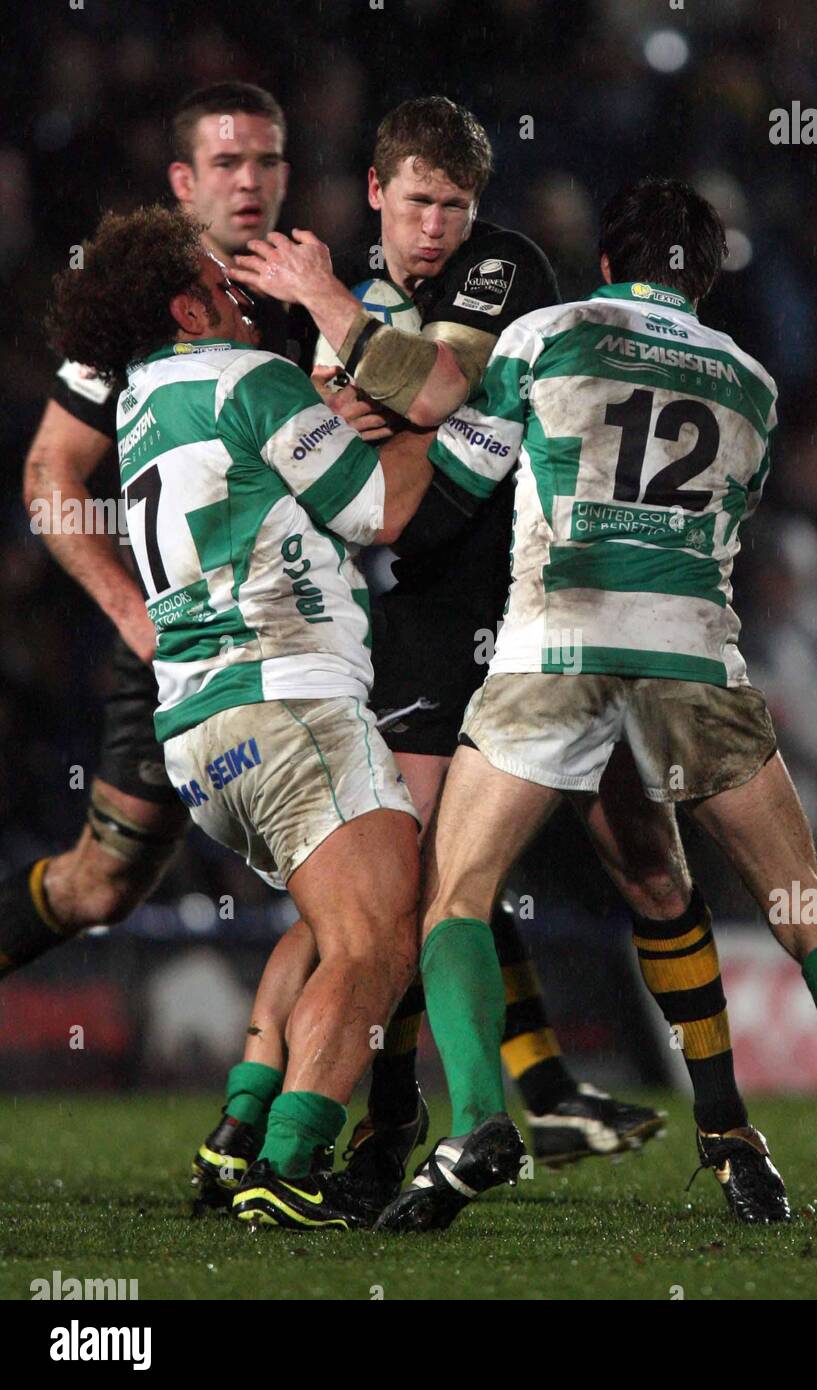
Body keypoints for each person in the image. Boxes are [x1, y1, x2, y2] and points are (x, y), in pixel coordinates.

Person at [365, 177, 817, 1235]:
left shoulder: (547, 331)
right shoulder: (751, 381)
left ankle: (478, 1120)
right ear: (703, 278)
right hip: (691, 657)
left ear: (610, 263)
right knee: (805, 907)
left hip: (557, 639)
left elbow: (457, 448)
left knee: (456, 895)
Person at [205, 98, 678, 1222]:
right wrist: (369, 383)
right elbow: (330, 432)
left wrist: (353, 348)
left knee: (609, 864)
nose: (433, 227)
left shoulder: (502, 266)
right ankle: (342, 1121)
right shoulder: (378, 297)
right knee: (403, 887)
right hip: (403, 615)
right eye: (416, 203)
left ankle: (696, 1119)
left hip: (516, 606)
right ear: (376, 194)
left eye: (452, 206)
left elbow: (430, 394)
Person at [45, 202, 435, 1229]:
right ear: (185, 305)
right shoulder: (245, 377)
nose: (243, 296)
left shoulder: (138, 408)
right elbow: (383, 508)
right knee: (378, 939)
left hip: (200, 734)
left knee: (328, 926)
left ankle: (239, 1132)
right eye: (223, 284)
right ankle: (292, 1163)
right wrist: (434, 410)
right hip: (287, 697)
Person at [2, 82, 294, 977]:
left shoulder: (320, 293)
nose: (249, 182)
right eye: (225, 162)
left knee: (412, 834)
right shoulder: (141, 304)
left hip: (309, 628)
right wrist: (133, 611)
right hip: (186, 635)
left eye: (267, 161)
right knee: (101, 887)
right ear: (181, 179)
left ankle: (524, 1091)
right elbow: (52, 472)